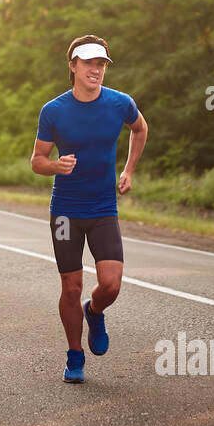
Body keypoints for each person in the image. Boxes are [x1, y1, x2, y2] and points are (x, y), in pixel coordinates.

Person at [30, 35, 148, 384]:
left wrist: (128, 170)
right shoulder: (54, 110)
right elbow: (37, 161)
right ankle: (74, 354)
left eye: (101, 64)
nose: (96, 70)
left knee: (110, 285)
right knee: (71, 286)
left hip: (102, 209)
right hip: (65, 211)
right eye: (88, 63)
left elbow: (140, 129)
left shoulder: (120, 103)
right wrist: (55, 166)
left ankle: (94, 313)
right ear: (73, 66)